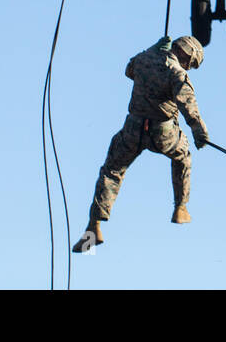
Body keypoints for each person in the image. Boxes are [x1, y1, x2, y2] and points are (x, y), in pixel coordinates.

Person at [74, 35, 208, 252]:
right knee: (183, 156)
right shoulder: (178, 74)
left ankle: (93, 226)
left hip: (133, 129)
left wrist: (151, 50)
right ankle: (180, 208)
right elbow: (188, 106)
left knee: (111, 171)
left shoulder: (145, 59)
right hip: (162, 133)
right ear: (187, 57)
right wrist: (200, 132)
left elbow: (129, 70)